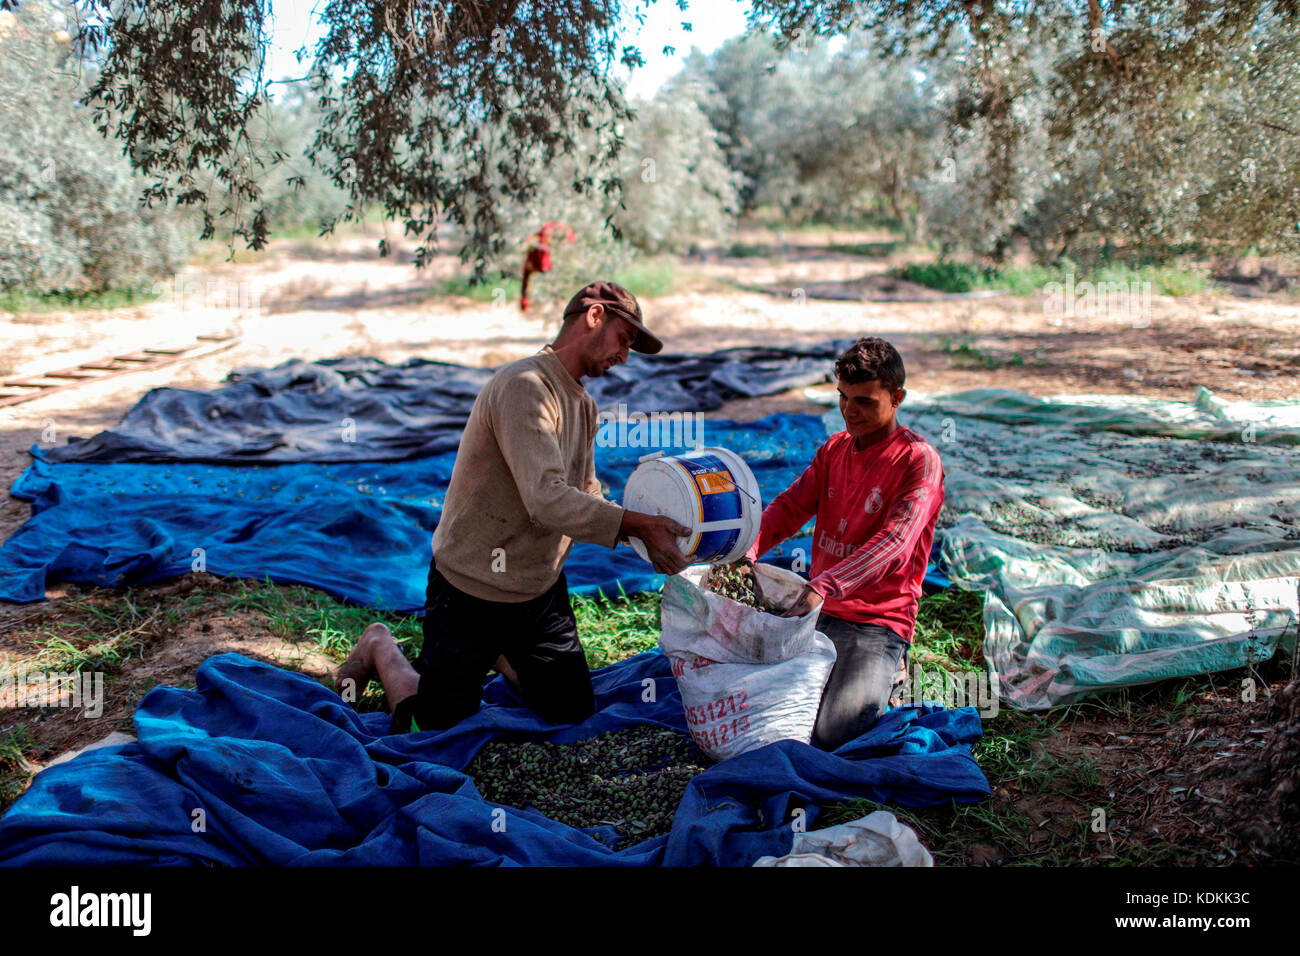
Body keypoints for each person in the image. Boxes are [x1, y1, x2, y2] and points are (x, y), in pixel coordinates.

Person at [336, 281, 690, 731]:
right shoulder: (524, 386)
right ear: (594, 316)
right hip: (470, 590)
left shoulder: (582, 405)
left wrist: (642, 525)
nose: (624, 357)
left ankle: (501, 652)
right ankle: (379, 646)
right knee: (430, 729)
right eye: (624, 340)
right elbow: (545, 500)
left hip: (537, 594)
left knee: (572, 713)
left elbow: (585, 491)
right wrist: (635, 525)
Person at [734, 337, 945, 750]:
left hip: (875, 620)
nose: (850, 411)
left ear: (897, 397)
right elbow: (791, 505)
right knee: (756, 703)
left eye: (864, 401)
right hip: (818, 608)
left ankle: (894, 670)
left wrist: (822, 586)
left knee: (836, 731)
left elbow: (896, 543)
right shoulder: (835, 450)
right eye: (843, 398)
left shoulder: (918, 460)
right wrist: (748, 549)